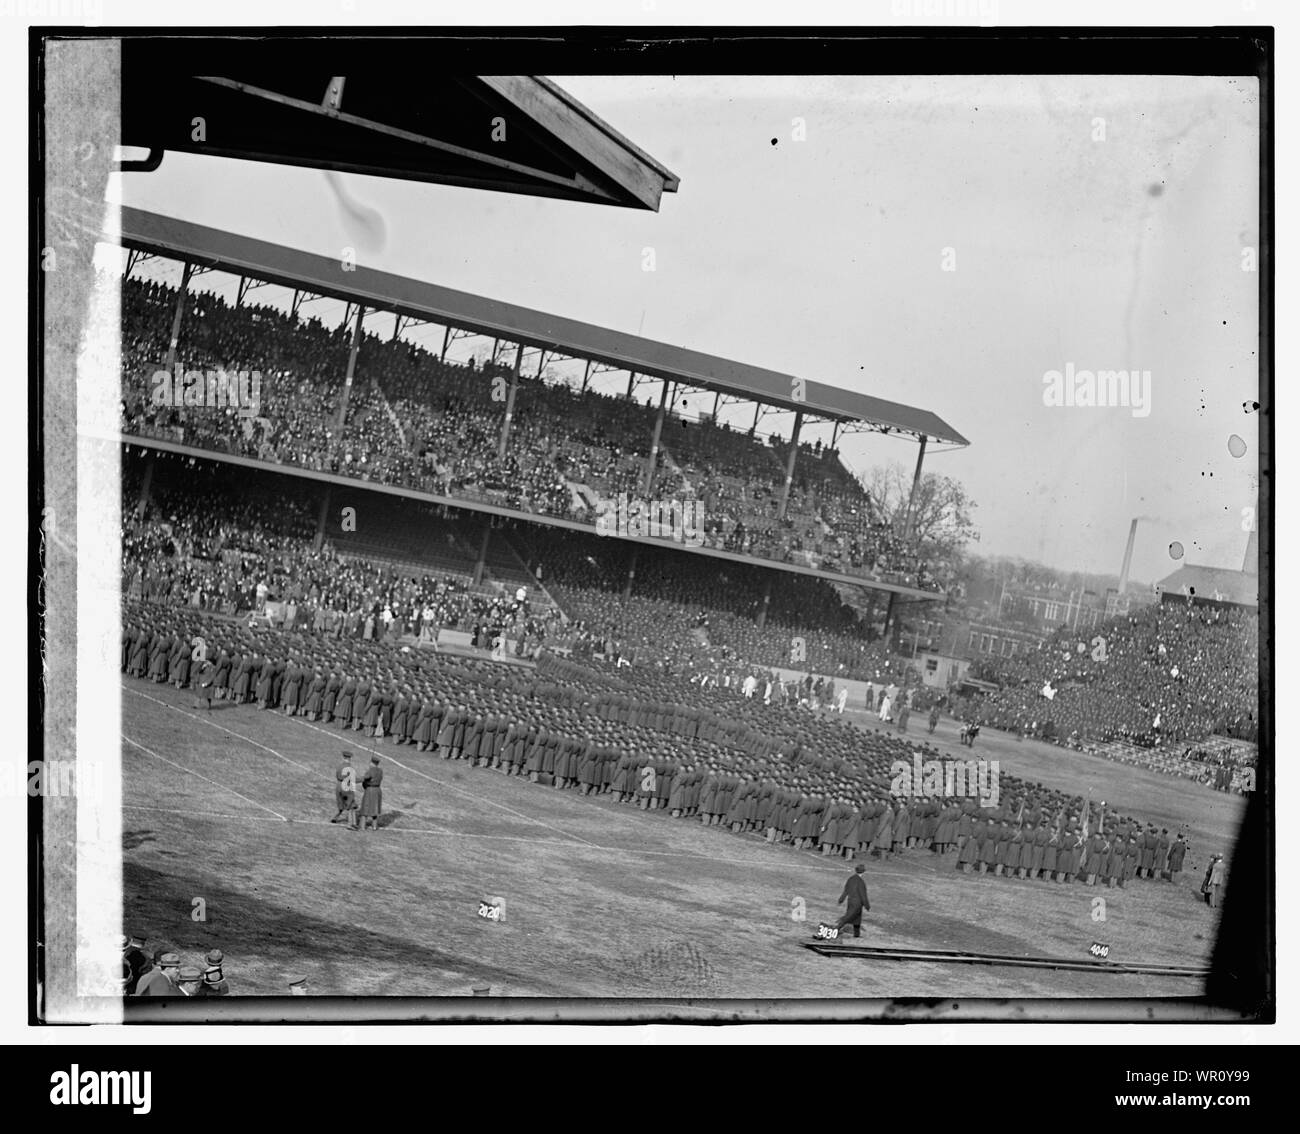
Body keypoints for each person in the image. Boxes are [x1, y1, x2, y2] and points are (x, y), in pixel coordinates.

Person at [833, 864, 870, 938]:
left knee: (857, 918)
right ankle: (835, 929)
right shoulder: (861, 882)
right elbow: (863, 895)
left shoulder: (851, 879)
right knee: (848, 917)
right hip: (857, 904)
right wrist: (867, 905)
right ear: (863, 872)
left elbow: (846, 890)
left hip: (850, 902)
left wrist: (841, 900)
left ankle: (857, 934)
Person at [333, 751, 358, 829]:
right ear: (350, 758)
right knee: (351, 805)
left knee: (340, 803)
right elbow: (353, 779)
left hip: (338, 786)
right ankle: (351, 824)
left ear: (343, 757)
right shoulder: (350, 768)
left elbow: (337, 775)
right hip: (346, 786)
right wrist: (364, 778)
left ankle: (334, 817)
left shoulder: (339, 766)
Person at [359, 756, 384, 831]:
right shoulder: (380, 771)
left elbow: (364, 778)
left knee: (365, 808)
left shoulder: (370, 771)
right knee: (375, 809)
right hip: (378, 790)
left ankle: (362, 827)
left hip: (370, 790)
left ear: (372, 763)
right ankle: (374, 826)